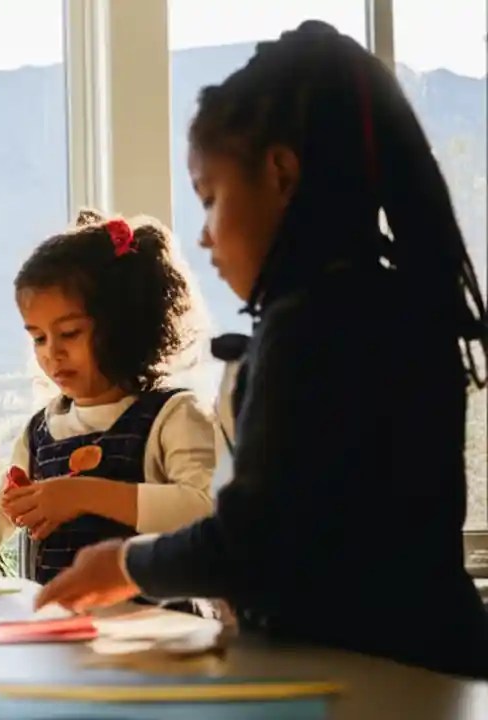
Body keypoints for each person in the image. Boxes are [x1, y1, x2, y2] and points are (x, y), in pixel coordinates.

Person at [35, 21, 488, 680]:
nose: (207, 237)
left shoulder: (307, 324)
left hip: (369, 676)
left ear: (280, 173)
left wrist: (125, 564)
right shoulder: (402, 304)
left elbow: (254, 542)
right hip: (434, 662)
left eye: (211, 198)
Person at [0, 211, 215, 587]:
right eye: (39, 338)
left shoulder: (173, 415)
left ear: (124, 324)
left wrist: (84, 495)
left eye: (69, 333)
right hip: (64, 630)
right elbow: (4, 503)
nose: (51, 353)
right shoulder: (41, 429)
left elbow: (204, 511)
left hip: (160, 627)